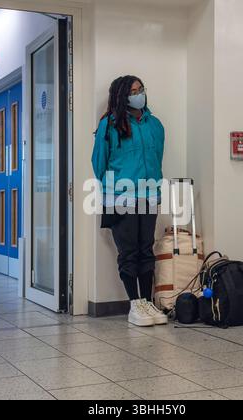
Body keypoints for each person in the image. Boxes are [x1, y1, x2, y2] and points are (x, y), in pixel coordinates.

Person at [92, 75, 168, 327]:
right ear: (122, 96)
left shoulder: (155, 125)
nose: (139, 94)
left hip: (149, 196)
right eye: (133, 91)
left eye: (141, 89)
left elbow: (158, 159)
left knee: (146, 249)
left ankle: (147, 302)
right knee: (129, 252)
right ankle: (135, 304)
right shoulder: (109, 125)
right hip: (120, 197)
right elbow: (99, 163)